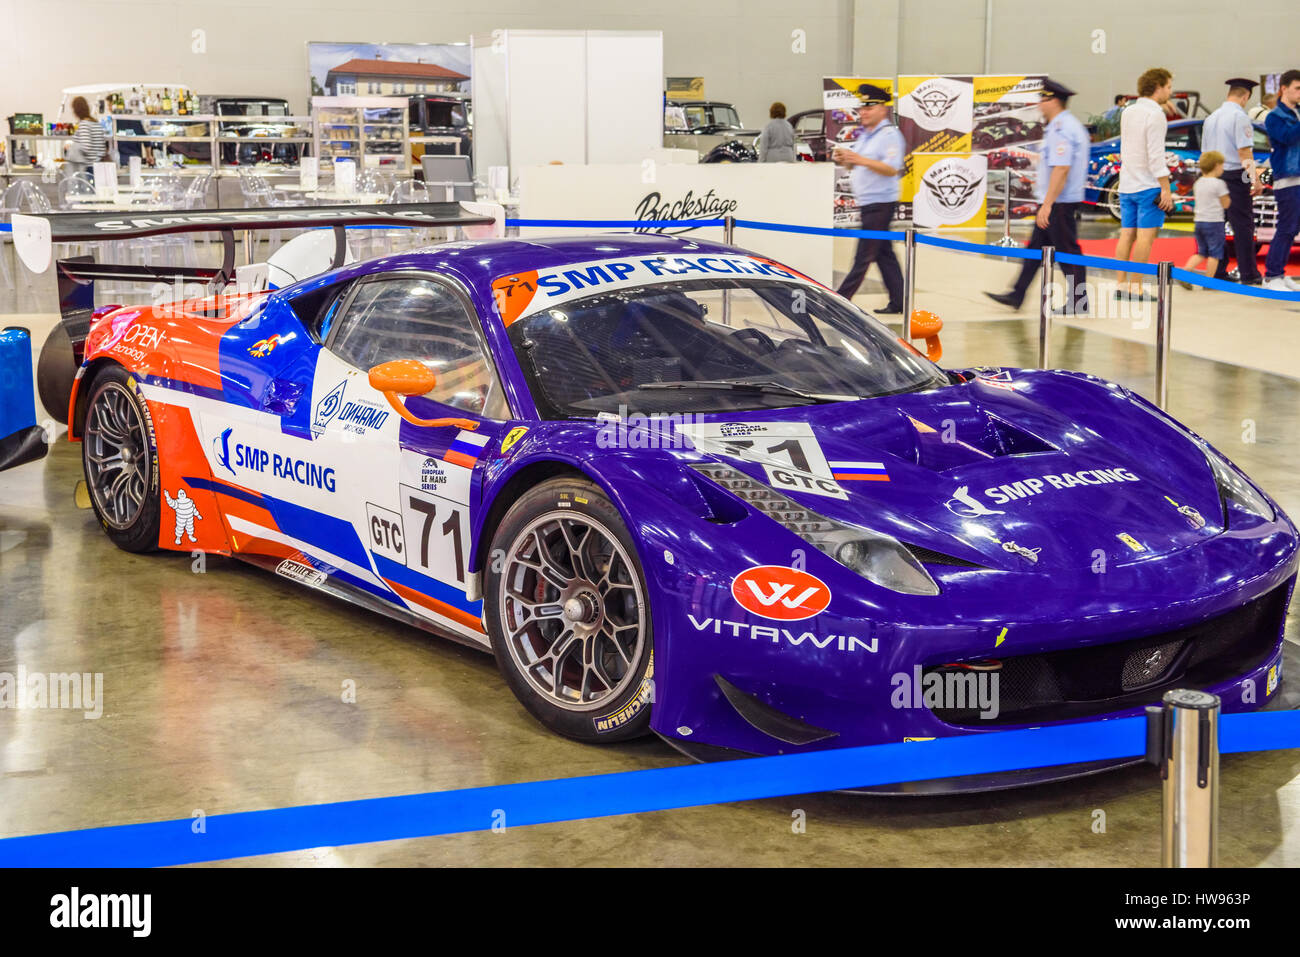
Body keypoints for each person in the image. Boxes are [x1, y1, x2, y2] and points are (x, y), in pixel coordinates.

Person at [985, 78, 1091, 316]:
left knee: (1067, 252)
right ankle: (1017, 293)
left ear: (1053, 101)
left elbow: (1061, 169)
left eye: (1043, 99)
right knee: (1035, 251)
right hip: (1056, 201)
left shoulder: (1062, 128)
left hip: (1059, 203)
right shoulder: (1061, 126)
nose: (1039, 104)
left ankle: (1079, 301)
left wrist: (1048, 205)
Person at [831, 84, 905, 314]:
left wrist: (859, 160)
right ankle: (899, 301)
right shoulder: (866, 136)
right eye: (862, 108)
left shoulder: (890, 136)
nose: (863, 112)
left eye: (869, 108)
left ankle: (839, 302)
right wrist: (844, 159)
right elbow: (855, 162)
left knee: (863, 256)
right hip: (868, 203)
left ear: (883, 109)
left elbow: (891, 168)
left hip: (880, 203)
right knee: (884, 254)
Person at [1113, 68, 1175, 301]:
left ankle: (1120, 285)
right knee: (1145, 238)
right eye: (1168, 86)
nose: (1170, 91)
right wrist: (1166, 188)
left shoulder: (1128, 111)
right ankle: (1136, 288)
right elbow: (1155, 155)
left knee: (1126, 235)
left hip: (1127, 184)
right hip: (1148, 186)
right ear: (1158, 87)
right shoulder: (1155, 115)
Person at [1202, 78, 1263, 284]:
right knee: (1243, 226)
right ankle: (1249, 274)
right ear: (1245, 96)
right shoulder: (1240, 117)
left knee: (1218, 225)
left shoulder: (1211, 118)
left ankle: (1218, 271)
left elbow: (1205, 154)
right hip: (1234, 178)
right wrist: (1254, 179)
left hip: (1213, 176)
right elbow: (1244, 152)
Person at [1262, 70, 1300, 291]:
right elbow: (1287, 137)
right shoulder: (1274, 116)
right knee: (1286, 228)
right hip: (1287, 181)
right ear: (1284, 88)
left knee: (1293, 229)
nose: (1299, 92)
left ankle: (1280, 273)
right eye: (1297, 88)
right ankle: (1272, 275)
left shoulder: (1296, 113)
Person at [1178, 151, 1230, 289]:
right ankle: (1208, 282)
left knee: (1201, 252)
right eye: (1222, 166)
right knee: (1215, 253)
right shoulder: (1219, 184)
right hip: (1214, 222)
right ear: (1216, 166)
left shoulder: (1198, 182)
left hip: (1199, 222)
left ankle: (1185, 272)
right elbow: (1226, 204)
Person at [63, 95, 107, 176]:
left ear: (76, 111)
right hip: (98, 166)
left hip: (87, 168)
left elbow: (86, 147)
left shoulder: (84, 125)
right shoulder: (96, 123)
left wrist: (71, 146)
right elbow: (102, 148)